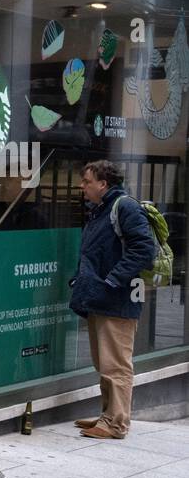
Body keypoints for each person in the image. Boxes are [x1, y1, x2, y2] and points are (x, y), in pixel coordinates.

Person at [69, 160, 157, 439]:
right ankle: (107, 415)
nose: (82, 187)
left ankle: (116, 423)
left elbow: (144, 250)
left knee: (116, 364)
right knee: (104, 362)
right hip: (101, 297)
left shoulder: (125, 207)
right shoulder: (101, 211)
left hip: (117, 299)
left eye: (87, 181)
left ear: (103, 184)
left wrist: (112, 279)